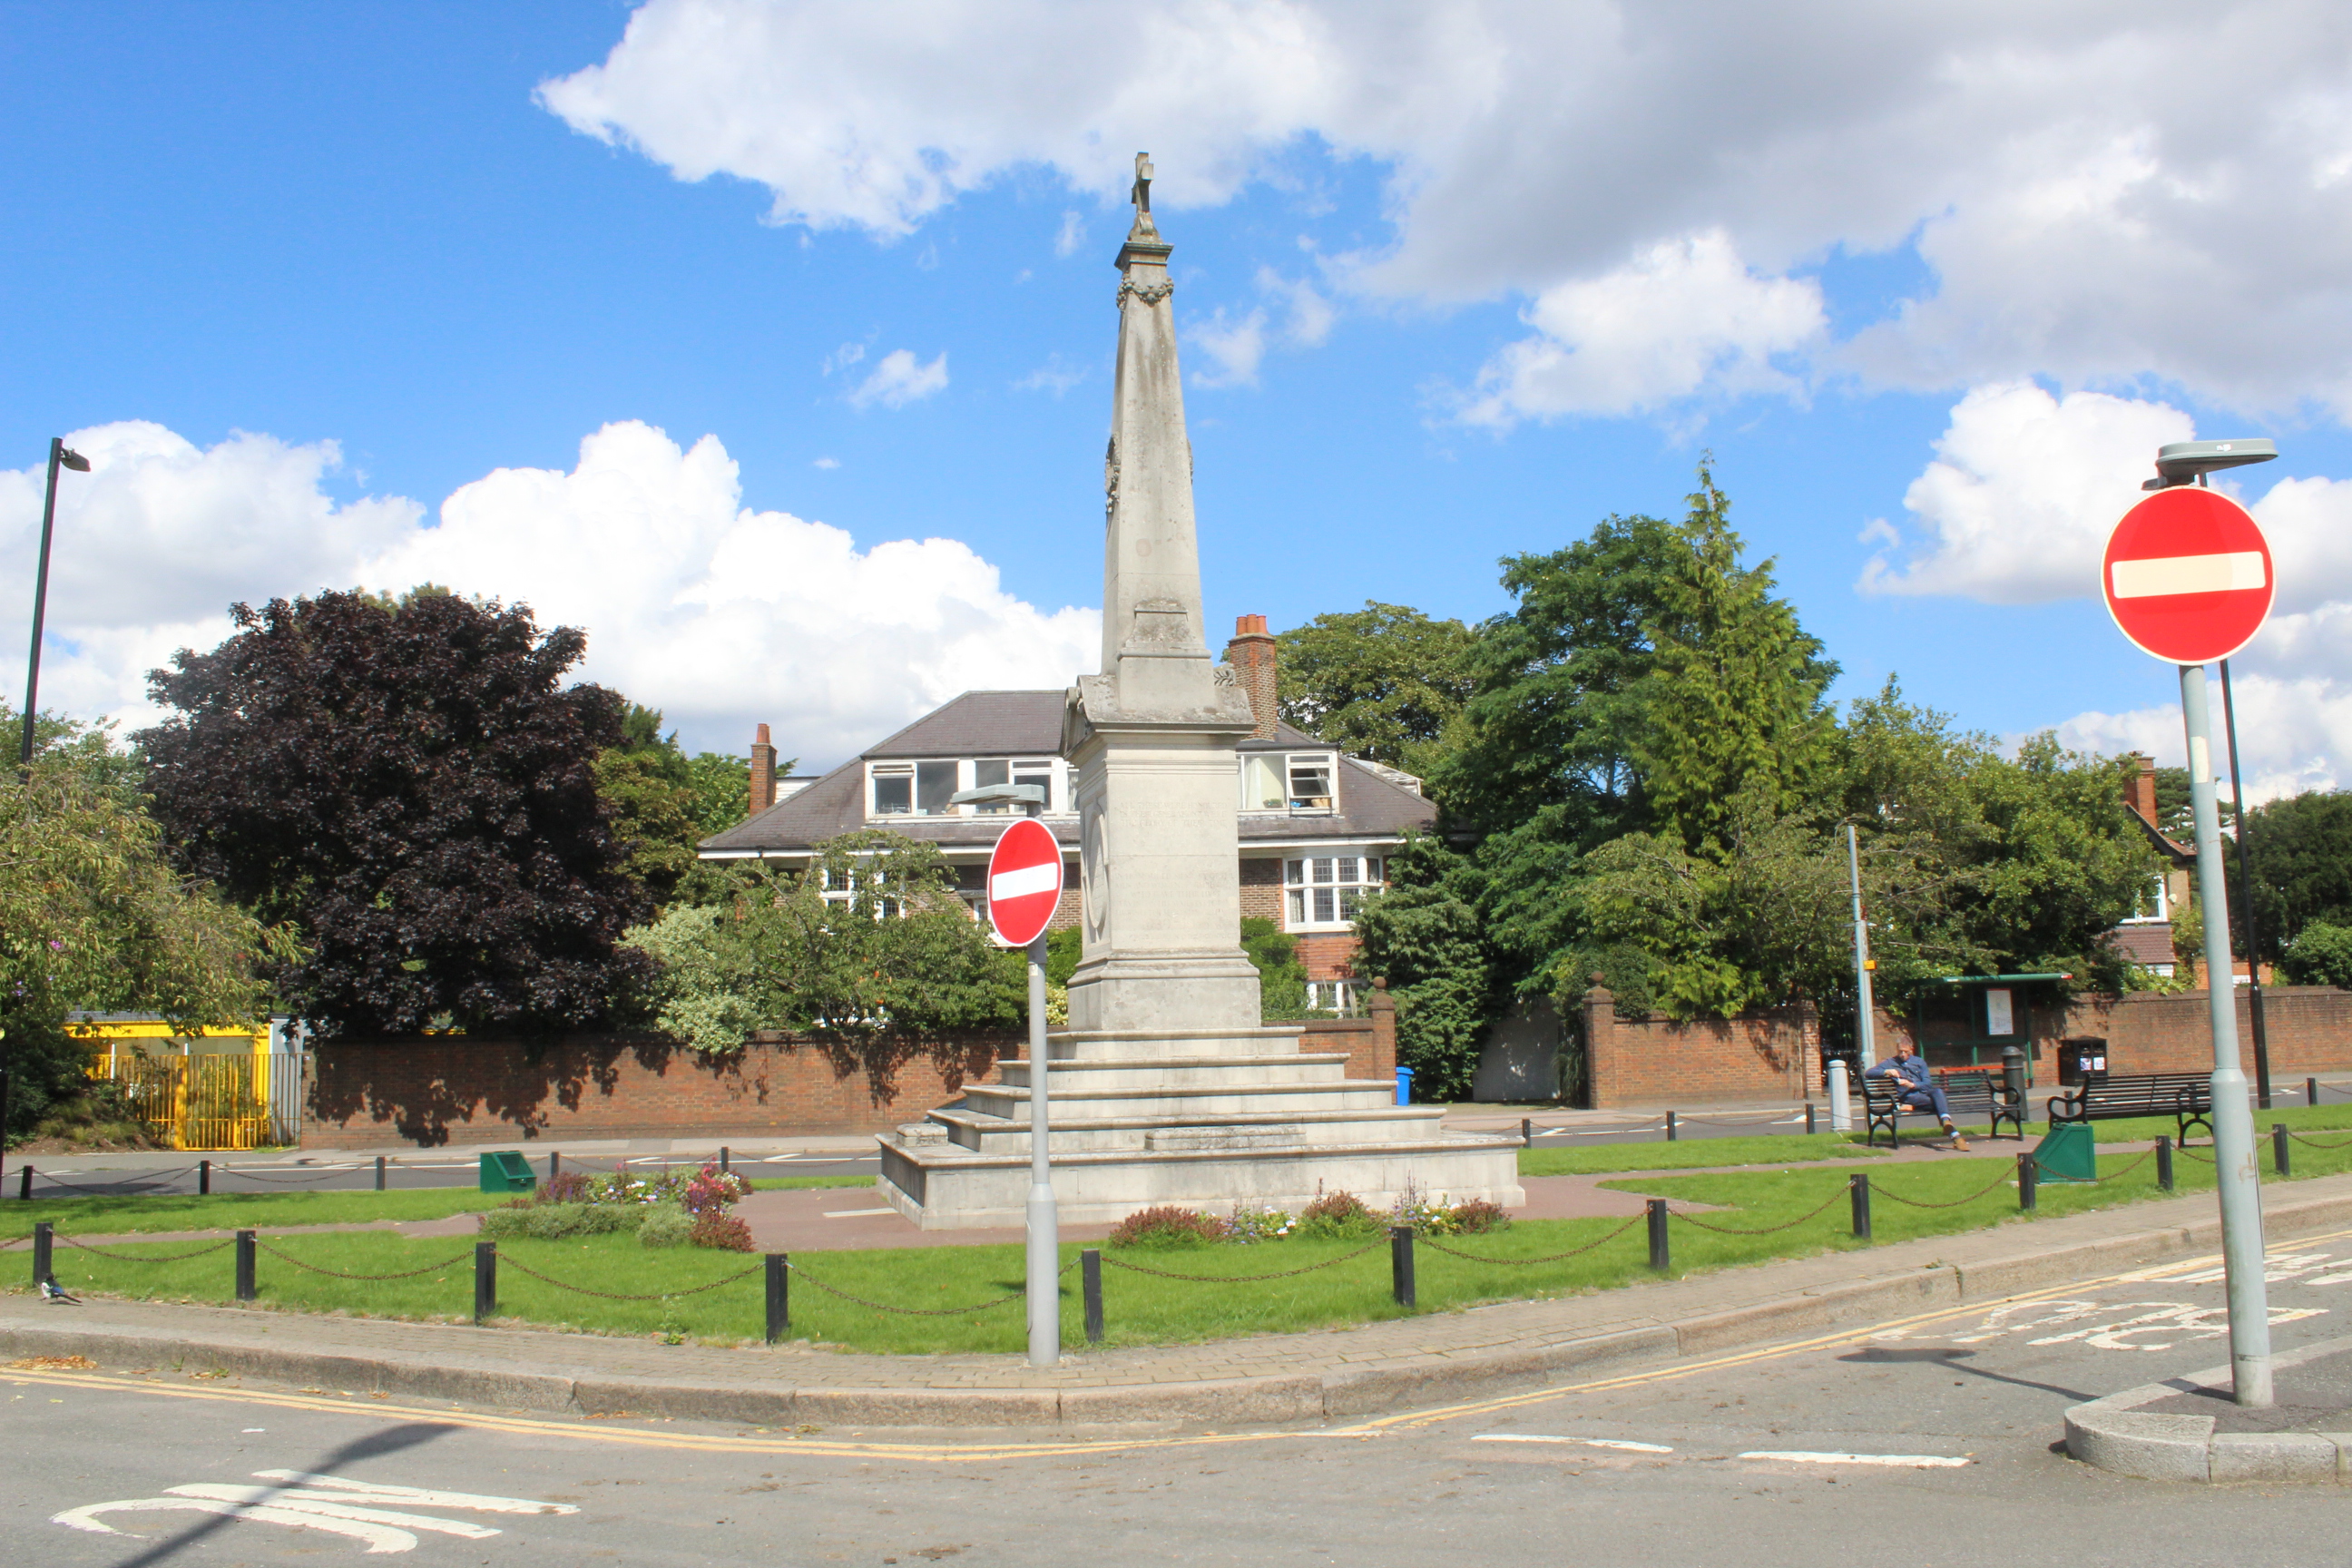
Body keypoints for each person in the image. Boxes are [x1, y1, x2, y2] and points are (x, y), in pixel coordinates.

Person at [1865, 1040, 1969, 1150]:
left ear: (1911, 1049)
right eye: (1900, 1051)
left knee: (1938, 1091)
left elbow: (1927, 1083)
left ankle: (1949, 1126)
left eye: (1905, 1051)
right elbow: (1869, 1073)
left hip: (1923, 1092)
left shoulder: (1919, 1062)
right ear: (1897, 1050)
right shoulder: (1890, 1062)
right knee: (1940, 1103)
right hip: (1909, 1096)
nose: (1902, 1054)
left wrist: (1913, 1085)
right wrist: (1886, 1071)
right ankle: (1952, 1131)